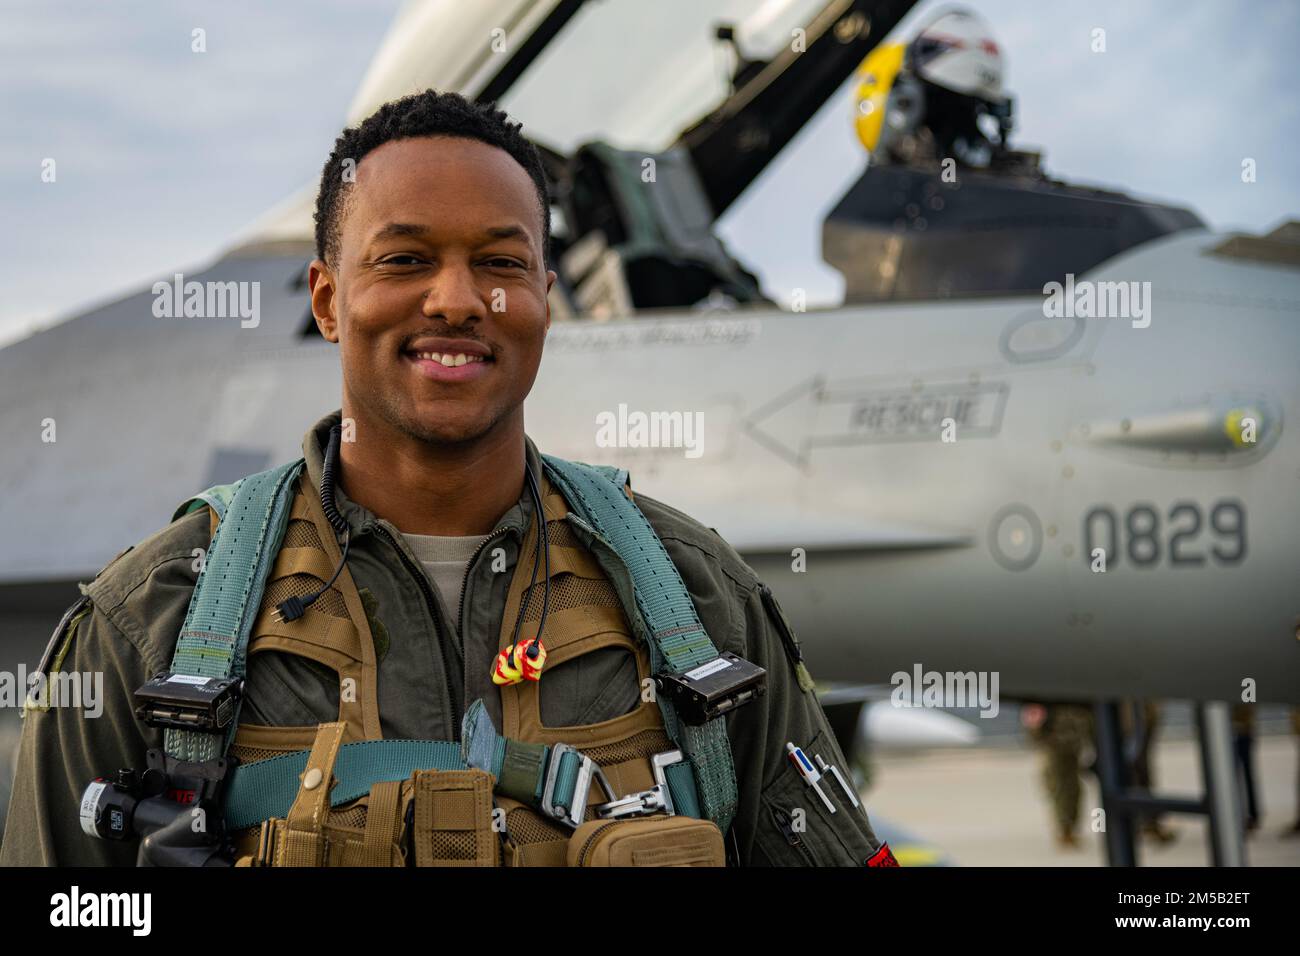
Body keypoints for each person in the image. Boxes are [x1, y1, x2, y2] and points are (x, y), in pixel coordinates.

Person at [1, 90, 888, 868]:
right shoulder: (156, 622)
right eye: (405, 259)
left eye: (501, 264)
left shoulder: (700, 605)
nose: (458, 300)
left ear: (544, 293)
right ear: (326, 299)